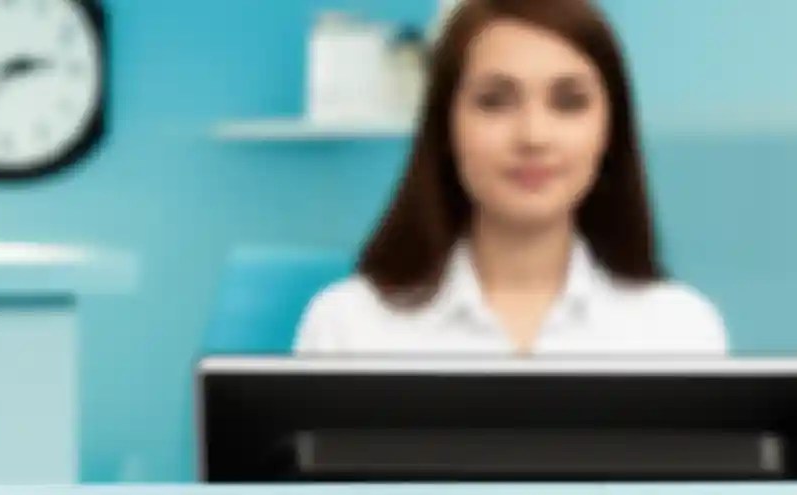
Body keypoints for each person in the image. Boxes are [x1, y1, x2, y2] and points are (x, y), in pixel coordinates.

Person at [294, 0, 727, 356]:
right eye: (495, 102)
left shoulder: (679, 330)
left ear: (610, 130)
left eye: (569, 103)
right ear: (446, 127)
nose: (533, 136)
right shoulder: (348, 327)